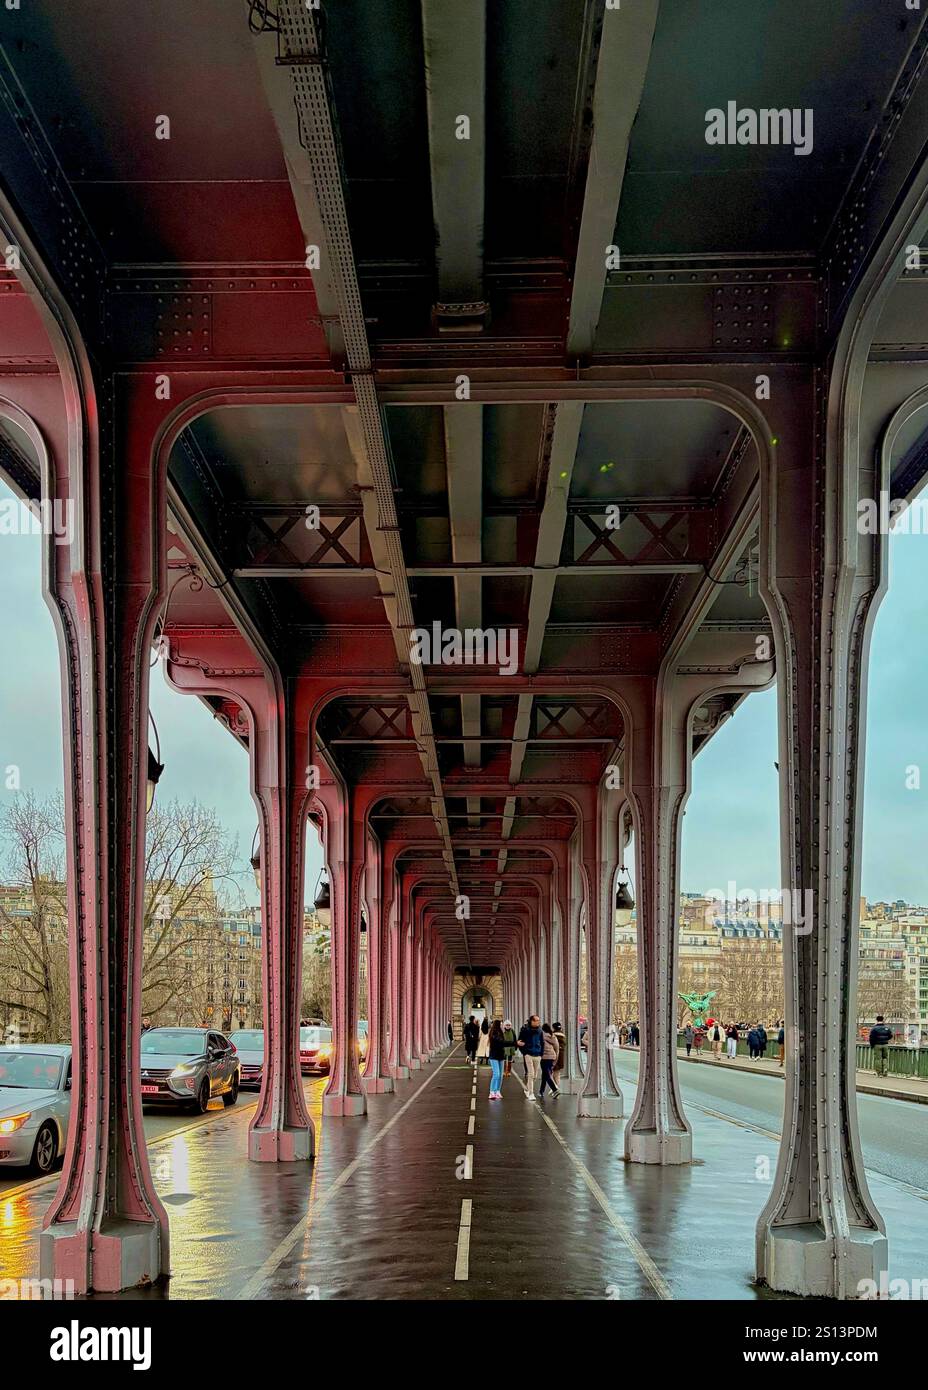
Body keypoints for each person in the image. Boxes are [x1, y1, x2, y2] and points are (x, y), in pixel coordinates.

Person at [516, 1014, 544, 1099]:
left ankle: (527, 1089)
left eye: (538, 1020)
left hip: (537, 1054)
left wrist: (541, 1053)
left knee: (535, 1075)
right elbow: (520, 1041)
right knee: (531, 1073)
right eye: (535, 1020)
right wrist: (524, 1052)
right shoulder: (525, 1030)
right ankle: (531, 1093)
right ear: (531, 1021)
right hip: (528, 1054)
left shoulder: (540, 1031)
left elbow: (542, 1042)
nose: (537, 1022)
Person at [539, 1023, 560, 1097]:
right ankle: (541, 1091)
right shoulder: (553, 1036)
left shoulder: (542, 1036)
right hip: (552, 1057)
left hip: (544, 1057)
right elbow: (557, 1049)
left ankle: (555, 1089)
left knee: (546, 1075)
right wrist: (555, 1060)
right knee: (545, 1075)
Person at [488, 1020, 507, 1099]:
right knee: (496, 1074)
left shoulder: (501, 1033)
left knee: (501, 1075)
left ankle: (498, 1091)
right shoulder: (493, 1034)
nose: (503, 1026)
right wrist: (515, 1043)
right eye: (501, 1025)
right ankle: (492, 1091)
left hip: (501, 1056)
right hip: (494, 1056)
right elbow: (501, 1043)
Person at [552, 1020, 566, 1086]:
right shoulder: (563, 1035)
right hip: (561, 1054)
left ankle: (555, 1087)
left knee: (553, 1071)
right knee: (557, 1072)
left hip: (553, 1054)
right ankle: (557, 1086)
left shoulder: (553, 1035)